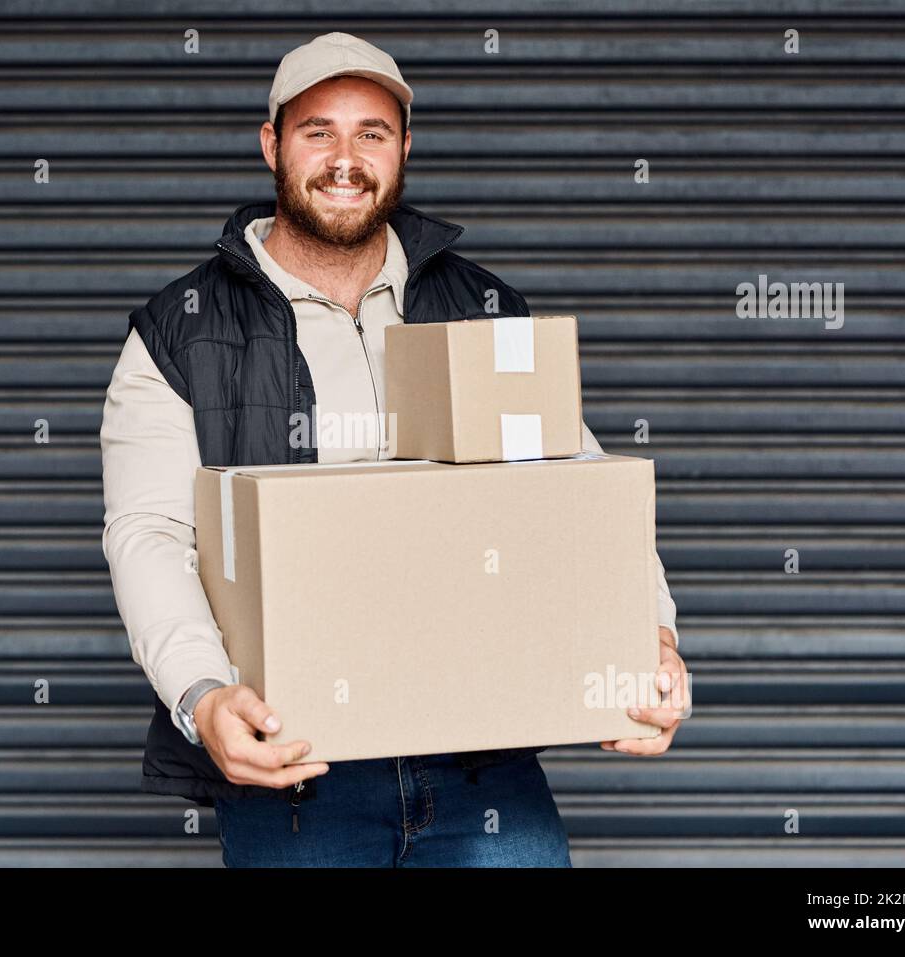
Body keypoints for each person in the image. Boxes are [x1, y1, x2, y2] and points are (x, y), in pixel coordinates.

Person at [100, 32, 689, 867]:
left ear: (405, 148)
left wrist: (647, 639)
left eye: (372, 133)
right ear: (272, 144)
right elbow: (150, 534)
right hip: (297, 771)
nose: (346, 159)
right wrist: (204, 695)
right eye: (318, 132)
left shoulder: (480, 306)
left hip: (481, 762)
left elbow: (583, 491)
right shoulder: (180, 330)